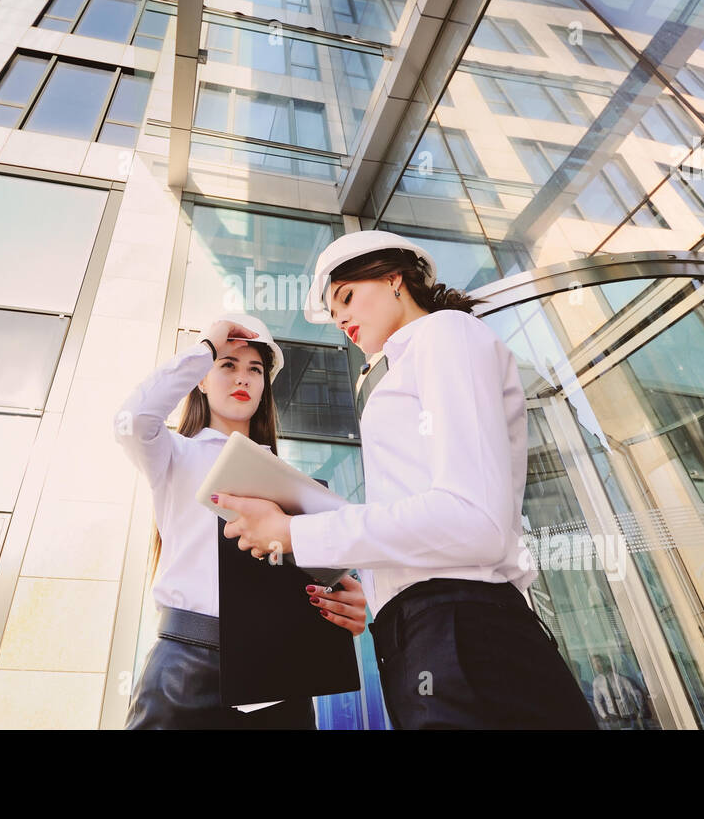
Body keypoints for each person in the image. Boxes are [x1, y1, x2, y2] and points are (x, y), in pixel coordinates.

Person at [216, 231, 597, 729]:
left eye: (347, 298)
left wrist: (296, 533)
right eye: (334, 315)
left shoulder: (445, 335)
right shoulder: (396, 367)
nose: (342, 321)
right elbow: (420, 513)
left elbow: (473, 520)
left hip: (465, 630)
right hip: (420, 636)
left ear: (395, 278)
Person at [114, 314, 367, 729]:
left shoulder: (296, 487)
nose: (243, 378)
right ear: (202, 378)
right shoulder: (174, 454)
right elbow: (132, 420)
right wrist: (205, 349)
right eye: (228, 365)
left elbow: (320, 576)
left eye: (255, 369)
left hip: (283, 672)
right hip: (186, 665)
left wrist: (345, 607)